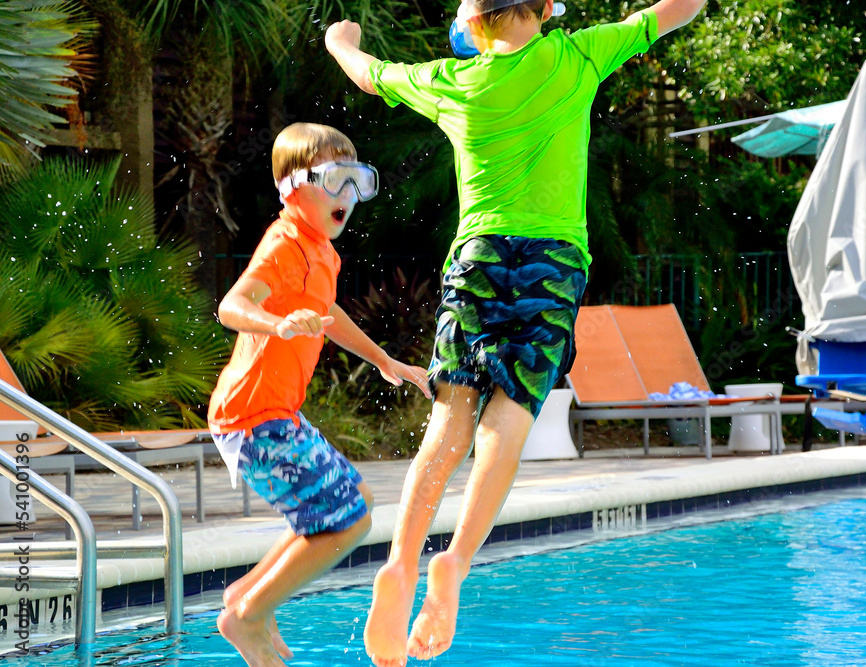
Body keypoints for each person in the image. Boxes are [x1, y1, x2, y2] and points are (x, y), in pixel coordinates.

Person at [325, 0, 707, 664]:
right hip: (552, 266)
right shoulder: (577, 55)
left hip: (477, 257)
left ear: (472, 26)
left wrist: (340, 39)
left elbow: (368, 74)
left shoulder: (454, 81)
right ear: (542, 10)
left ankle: (402, 562)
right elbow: (674, 9)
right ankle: (457, 563)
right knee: (510, 419)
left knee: (449, 424)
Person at [209, 122, 432, 667]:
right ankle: (249, 614)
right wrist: (276, 325)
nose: (347, 197)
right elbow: (232, 306)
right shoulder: (284, 243)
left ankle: (246, 601)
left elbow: (329, 317)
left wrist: (385, 360)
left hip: (275, 413)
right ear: (291, 187)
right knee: (349, 521)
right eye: (333, 179)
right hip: (253, 416)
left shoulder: (322, 253)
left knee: (355, 503)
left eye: (355, 181)